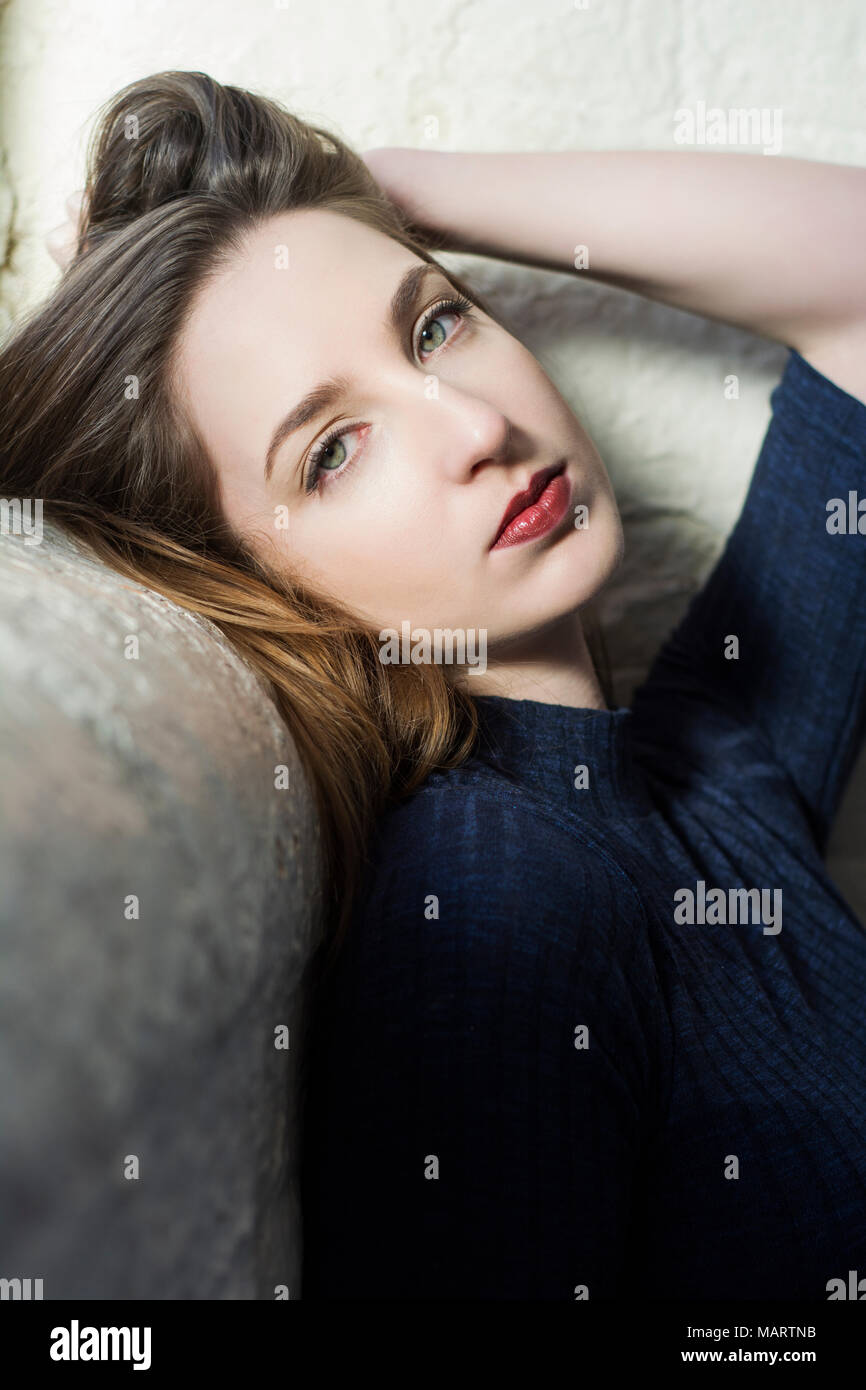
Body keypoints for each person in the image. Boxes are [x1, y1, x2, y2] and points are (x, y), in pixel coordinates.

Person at [25, 71, 866, 1300]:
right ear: (249, 578)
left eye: (433, 325)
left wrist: (383, 189)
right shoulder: (486, 890)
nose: (472, 424)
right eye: (332, 450)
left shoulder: (708, 756)